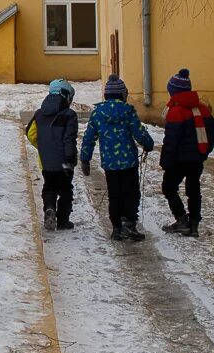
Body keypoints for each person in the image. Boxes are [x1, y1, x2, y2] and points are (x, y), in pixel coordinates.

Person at [81, 74, 154, 241]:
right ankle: (129, 224)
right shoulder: (128, 111)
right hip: (129, 162)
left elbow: (89, 137)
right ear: (123, 94)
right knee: (131, 193)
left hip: (110, 163)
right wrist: (148, 144)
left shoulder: (98, 113)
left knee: (114, 194)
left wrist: (85, 158)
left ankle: (116, 227)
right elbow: (139, 132)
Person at [160, 68, 214, 237]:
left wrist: (165, 161)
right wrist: (205, 151)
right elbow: (213, 132)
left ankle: (181, 219)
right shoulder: (203, 109)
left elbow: (171, 140)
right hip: (196, 159)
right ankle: (194, 223)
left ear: (173, 92)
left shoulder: (176, 112)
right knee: (193, 190)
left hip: (178, 161)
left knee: (169, 188)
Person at [27, 79, 80, 230]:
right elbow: (69, 139)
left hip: (46, 161)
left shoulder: (39, 114)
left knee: (49, 187)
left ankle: (49, 208)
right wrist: (70, 159)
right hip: (64, 162)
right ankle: (63, 221)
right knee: (65, 190)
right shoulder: (69, 115)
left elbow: (30, 134)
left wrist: (43, 147)